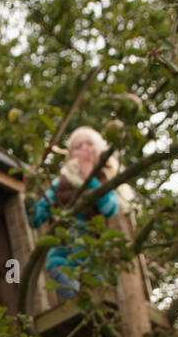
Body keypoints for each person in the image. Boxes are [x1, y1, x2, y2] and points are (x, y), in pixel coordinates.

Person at [29, 125, 123, 300]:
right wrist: (28, 191)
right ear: (71, 155)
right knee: (75, 301)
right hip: (62, 260)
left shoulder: (105, 181)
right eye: (78, 146)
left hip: (94, 259)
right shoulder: (59, 184)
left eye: (89, 144)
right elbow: (35, 219)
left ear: (99, 149)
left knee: (100, 304)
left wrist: (90, 180)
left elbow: (109, 209)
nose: (85, 149)